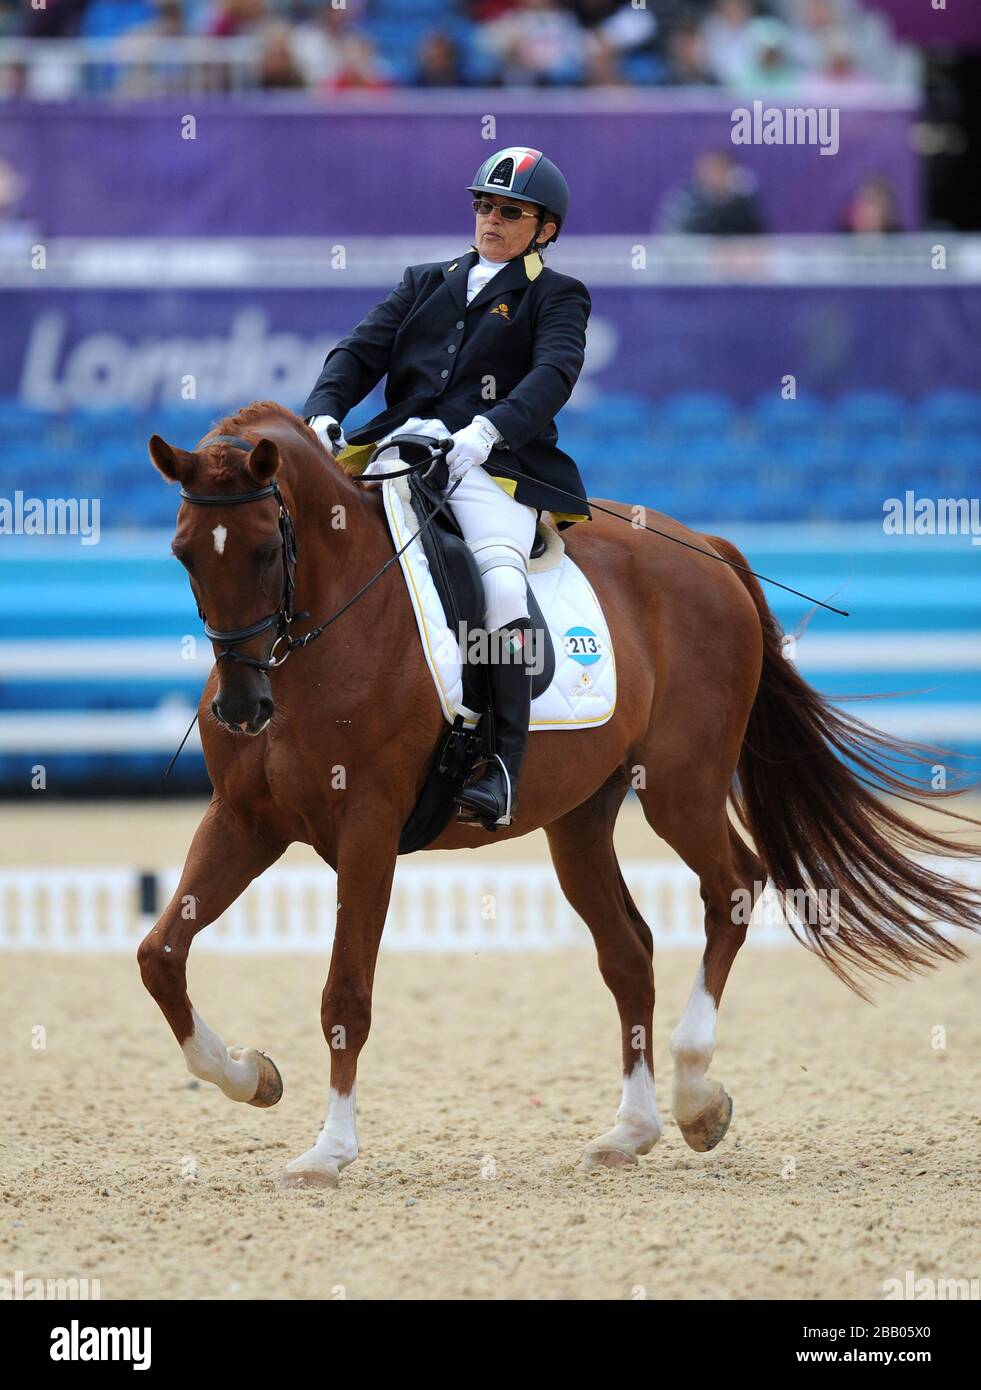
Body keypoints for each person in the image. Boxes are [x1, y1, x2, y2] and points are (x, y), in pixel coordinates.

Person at [302, 148, 591, 829]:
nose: (491, 220)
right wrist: (323, 410)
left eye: (510, 212)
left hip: (488, 468)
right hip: (398, 453)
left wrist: (487, 431)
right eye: (484, 206)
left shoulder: (557, 294)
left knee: (498, 586)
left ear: (545, 229)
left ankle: (500, 767)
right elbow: (358, 351)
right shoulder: (423, 281)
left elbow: (552, 375)